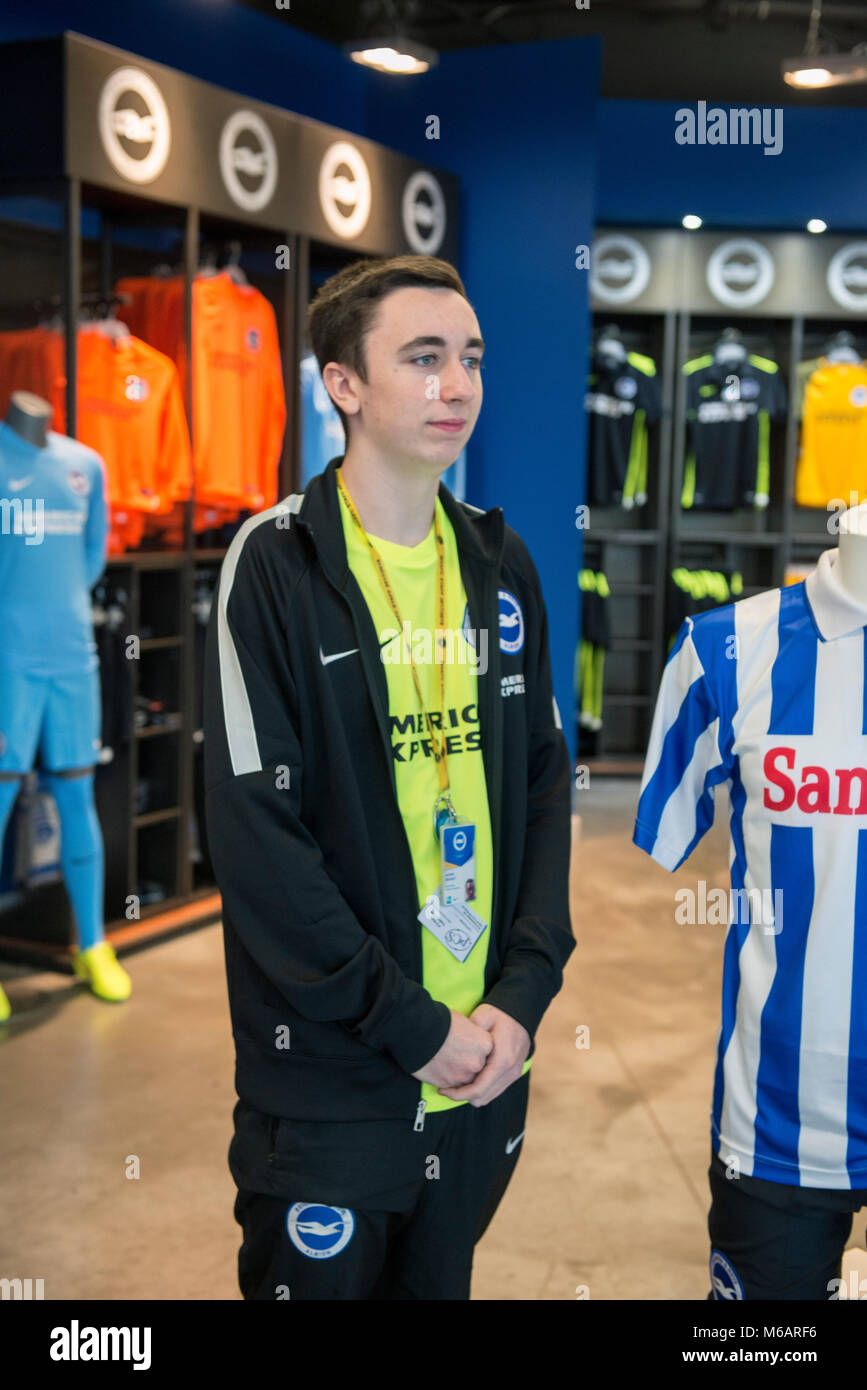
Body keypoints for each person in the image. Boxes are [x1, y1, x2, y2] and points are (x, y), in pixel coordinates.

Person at [203, 253, 574, 1300]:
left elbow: (545, 786)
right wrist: (415, 1029)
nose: (457, 385)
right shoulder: (274, 563)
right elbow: (256, 835)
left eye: (470, 358)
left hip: (489, 1070)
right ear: (344, 383)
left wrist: (525, 993)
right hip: (337, 1088)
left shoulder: (503, 565)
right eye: (422, 358)